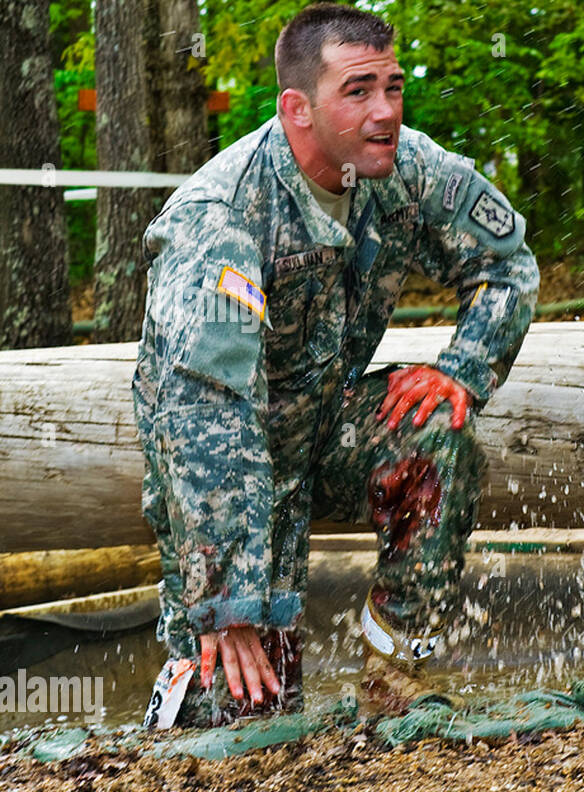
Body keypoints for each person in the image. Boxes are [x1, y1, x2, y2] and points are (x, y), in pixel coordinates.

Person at [134, 3, 539, 728]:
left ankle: (393, 673)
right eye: (358, 91)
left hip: (326, 433)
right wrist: (227, 600)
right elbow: (205, 419)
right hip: (229, 481)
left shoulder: (407, 167)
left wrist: (464, 368)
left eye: (394, 86)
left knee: (435, 436)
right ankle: (190, 694)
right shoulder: (222, 216)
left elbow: (507, 262)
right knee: (237, 727)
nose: (385, 111)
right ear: (297, 108)